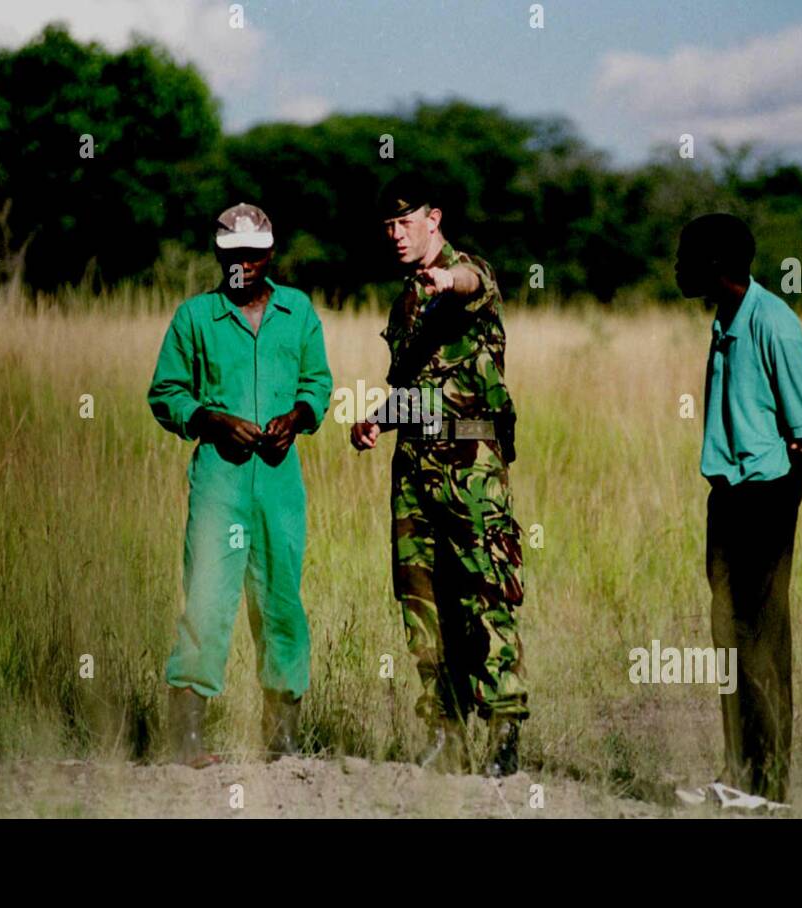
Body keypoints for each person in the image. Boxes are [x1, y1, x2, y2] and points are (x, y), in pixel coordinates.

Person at [350, 174, 528, 776]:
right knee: (422, 606)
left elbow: (473, 285)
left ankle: (504, 729)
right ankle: (445, 734)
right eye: (388, 227)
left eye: (406, 223)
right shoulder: (405, 298)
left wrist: (449, 280)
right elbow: (416, 388)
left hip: (471, 468)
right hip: (414, 471)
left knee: (485, 597)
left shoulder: (467, 272)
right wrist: (378, 418)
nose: (396, 235)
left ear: (435, 218)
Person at [148, 203, 333, 766]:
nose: (242, 266)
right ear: (218, 254)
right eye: (232, 256)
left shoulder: (297, 312)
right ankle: (187, 740)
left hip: (280, 482)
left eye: (252, 255)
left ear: (270, 254)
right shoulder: (195, 317)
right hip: (220, 480)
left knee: (281, 602)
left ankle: (282, 739)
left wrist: (297, 418)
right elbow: (167, 393)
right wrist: (211, 419)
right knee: (207, 596)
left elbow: (318, 382)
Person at [675, 212, 802, 803]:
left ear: (715, 267)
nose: (677, 268)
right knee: (730, 637)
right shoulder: (725, 319)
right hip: (728, 497)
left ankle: (770, 789)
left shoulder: (774, 323)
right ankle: (737, 776)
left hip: (768, 497)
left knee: (763, 639)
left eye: (686, 258)